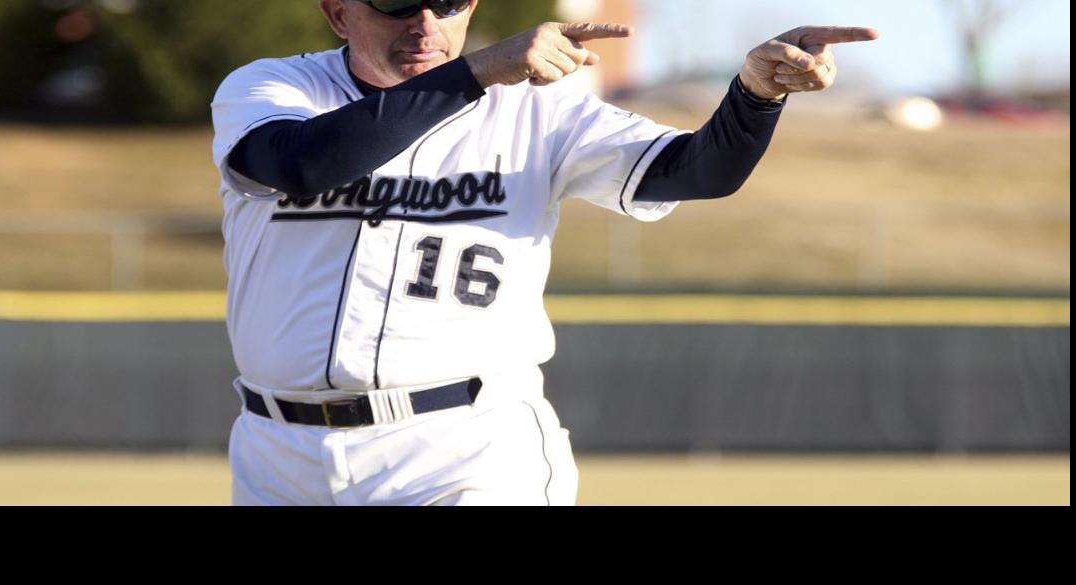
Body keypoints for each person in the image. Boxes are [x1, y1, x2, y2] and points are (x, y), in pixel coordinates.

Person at [211, 0, 877, 505]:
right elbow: (298, 166)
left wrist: (754, 97)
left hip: (461, 449)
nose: (423, 22)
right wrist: (475, 72)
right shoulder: (272, 90)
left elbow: (697, 171)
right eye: (395, 2)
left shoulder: (540, 111)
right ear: (337, 13)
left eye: (445, 2)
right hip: (278, 455)